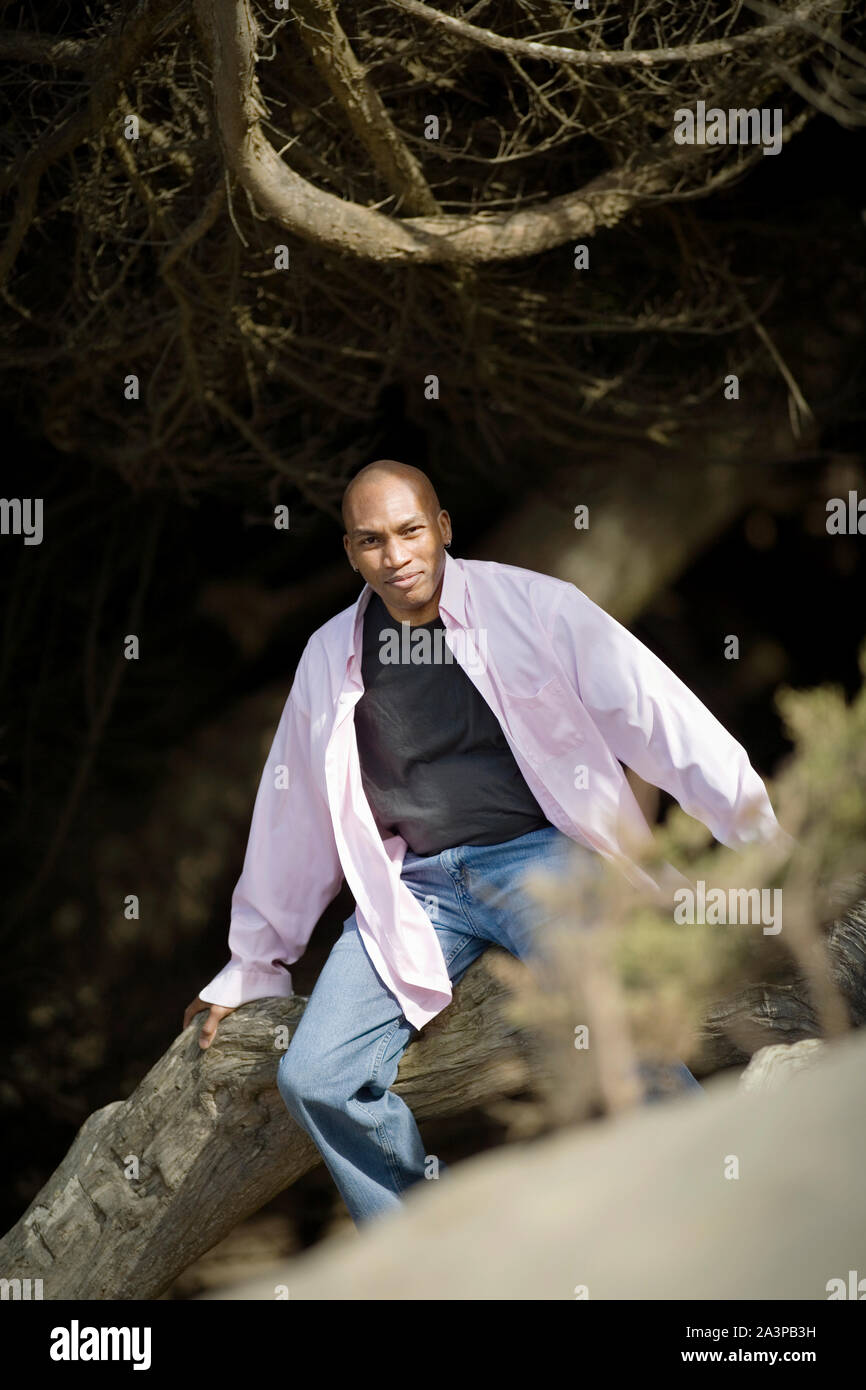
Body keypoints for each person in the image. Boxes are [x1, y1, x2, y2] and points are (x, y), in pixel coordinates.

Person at [183, 459, 790, 1227]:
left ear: (442, 528)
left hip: (543, 860)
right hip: (416, 889)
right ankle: (422, 1253)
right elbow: (293, 813)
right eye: (371, 540)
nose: (395, 556)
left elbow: (657, 714)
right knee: (316, 1076)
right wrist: (253, 964)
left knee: (613, 1022)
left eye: (409, 531)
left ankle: (720, 1214)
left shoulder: (532, 605)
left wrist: (761, 838)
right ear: (350, 552)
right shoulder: (331, 657)